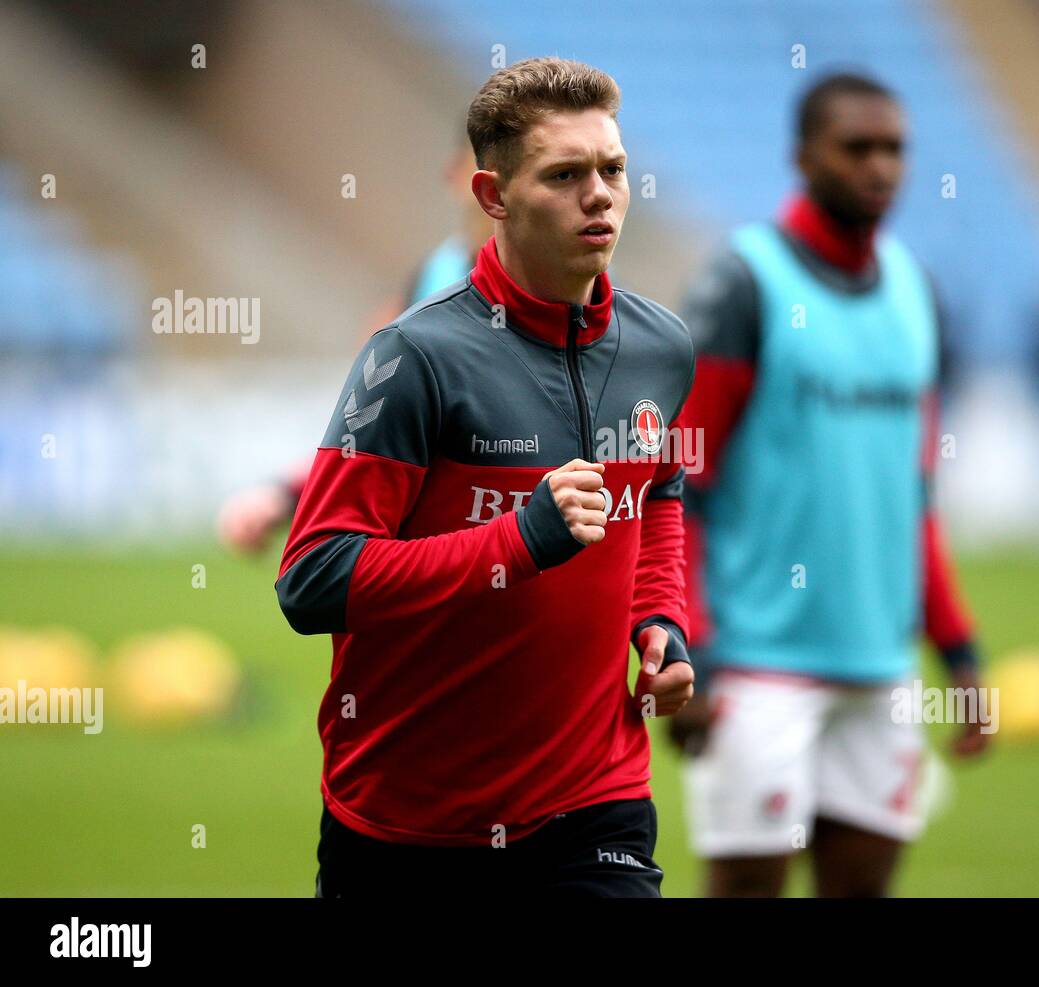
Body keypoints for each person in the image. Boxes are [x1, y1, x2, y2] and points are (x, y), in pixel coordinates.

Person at [275, 56, 696, 897]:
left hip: (595, 801)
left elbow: (657, 498)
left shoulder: (663, 348)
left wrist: (660, 618)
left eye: (612, 170)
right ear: (492, 196)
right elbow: (312, 580)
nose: (601, 195)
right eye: (565, 175)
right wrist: (516, 539)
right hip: (408, 819)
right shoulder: (415, 357)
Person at [672, 72, 990, 897]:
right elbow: (681, 486)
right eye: (857, 148)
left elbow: (912, 498)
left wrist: (958, 651)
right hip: (756, 665)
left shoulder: (916, 292)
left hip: (881, 667)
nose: (880, 167)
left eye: (894, 149)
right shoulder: (742, 285)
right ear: (803, 156)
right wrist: (689, 650)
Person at [216, 142, 493, 555]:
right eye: (487, 167)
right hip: (437, 554)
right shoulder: (427, 284)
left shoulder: (582, 296)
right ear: (457, 175)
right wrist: (286, 492)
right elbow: (367, 421)